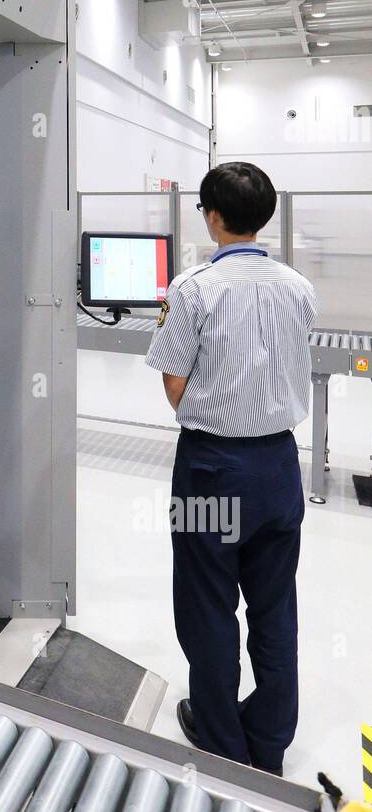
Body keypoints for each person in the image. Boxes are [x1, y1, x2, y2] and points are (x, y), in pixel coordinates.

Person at [145, 162, 316, 776]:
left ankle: (220, 737)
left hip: (212, 468)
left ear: (213, 217)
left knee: (207, 603)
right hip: (279, 469)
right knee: (274, 604)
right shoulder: (299, 286)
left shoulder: (192, 288)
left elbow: (173, 383)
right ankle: (268, 738)